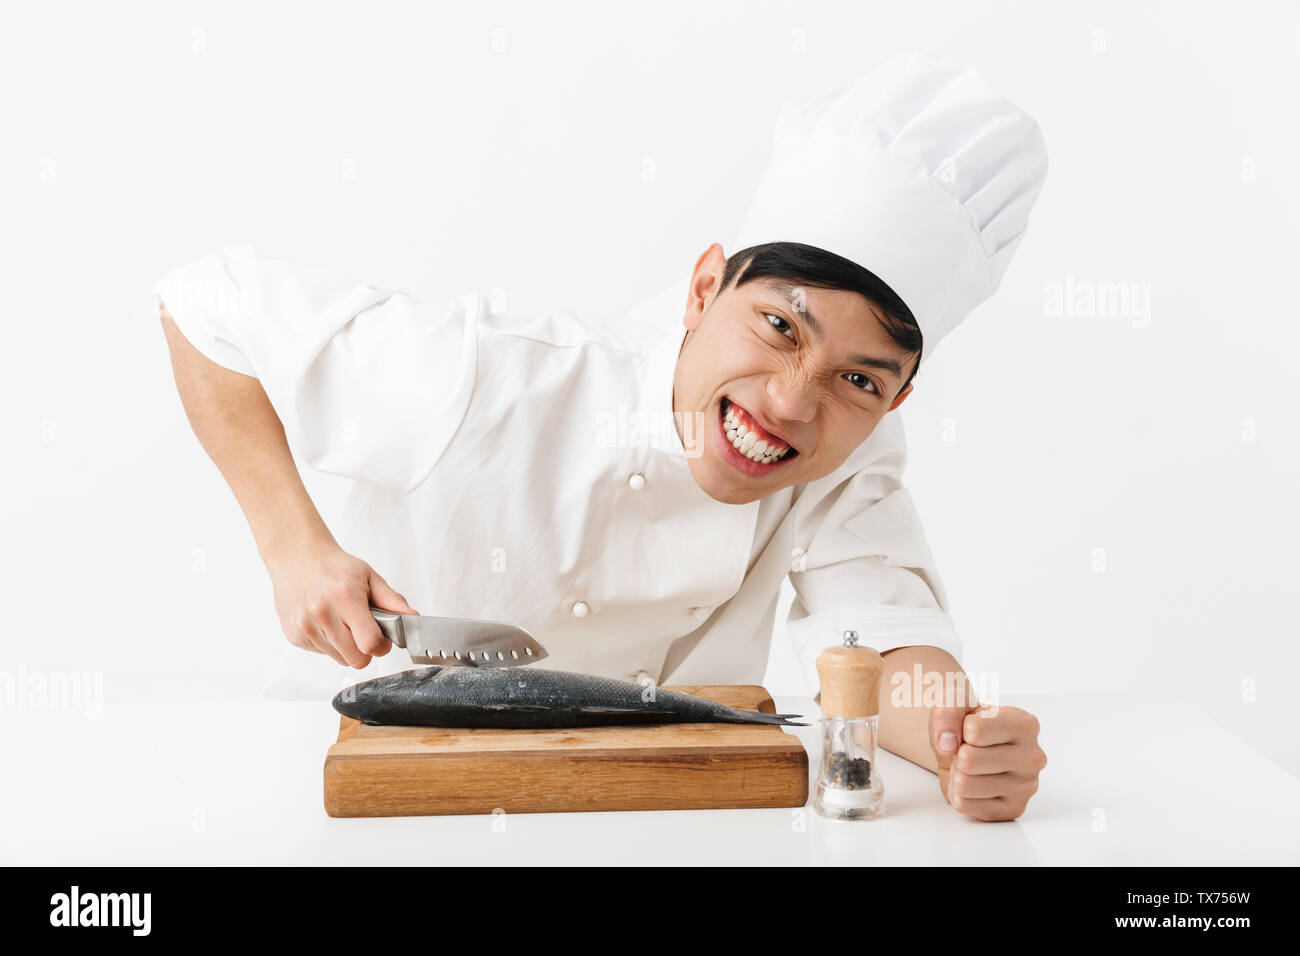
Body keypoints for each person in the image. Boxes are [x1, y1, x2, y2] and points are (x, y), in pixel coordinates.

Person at [155, 52, 1048, 821]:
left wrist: (959, 739)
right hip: (344, 782)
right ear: (704, 290)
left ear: (894, 403)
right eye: (780, 326)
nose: (789, 404)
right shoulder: (490, 374)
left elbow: (881, 640)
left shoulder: (847, 463)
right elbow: (206, 307)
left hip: (631, 816)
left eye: (858, 380)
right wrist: (295, 551)